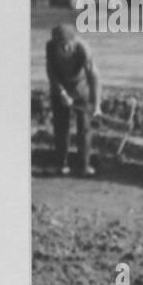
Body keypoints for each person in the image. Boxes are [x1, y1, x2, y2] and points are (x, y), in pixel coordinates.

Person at [45, 23, 101, 176]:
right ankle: (61, 165)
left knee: (84, 128)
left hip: (81, 88)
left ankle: (84, 166)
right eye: (60, 45)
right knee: (61, 128)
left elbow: (94, 77)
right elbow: (51, 72)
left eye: (67, 45)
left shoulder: (83, 48)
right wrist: (62, 93)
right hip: (60, 87)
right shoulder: (50, 46)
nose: (64, 49)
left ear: (74, 41)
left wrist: (96, 105)